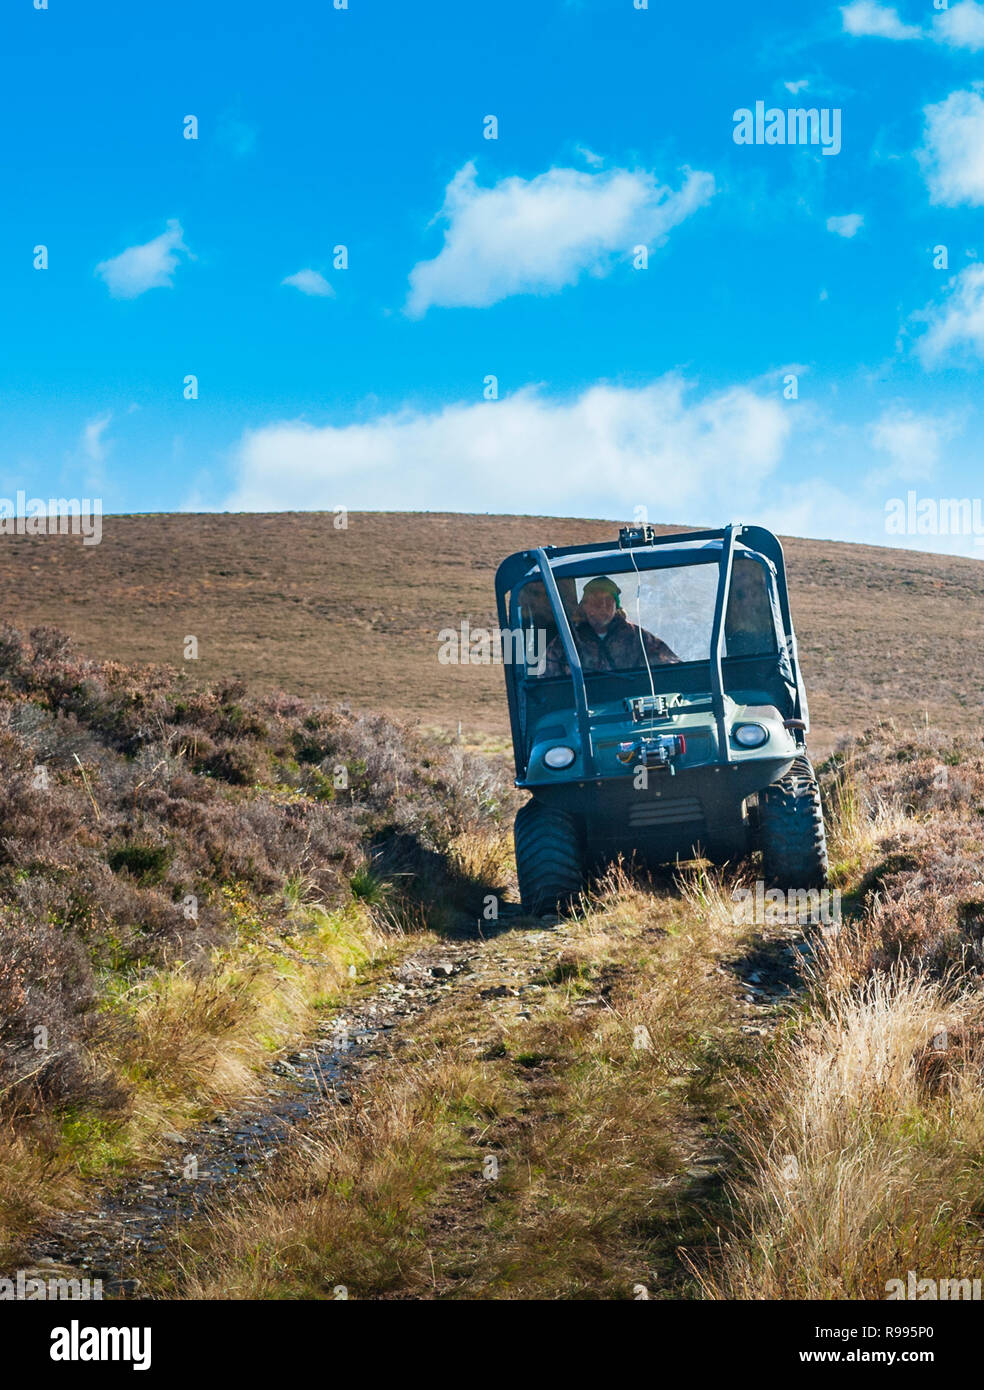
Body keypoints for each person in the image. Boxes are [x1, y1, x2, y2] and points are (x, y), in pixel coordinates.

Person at [542, 575, 680, 677]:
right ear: (585, 606)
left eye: (608, 601)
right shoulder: (566, 643)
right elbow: (546, 683)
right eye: (595, 601)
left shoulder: (638, 637)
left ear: (616, 607)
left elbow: (673, 668)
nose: (602, 607)